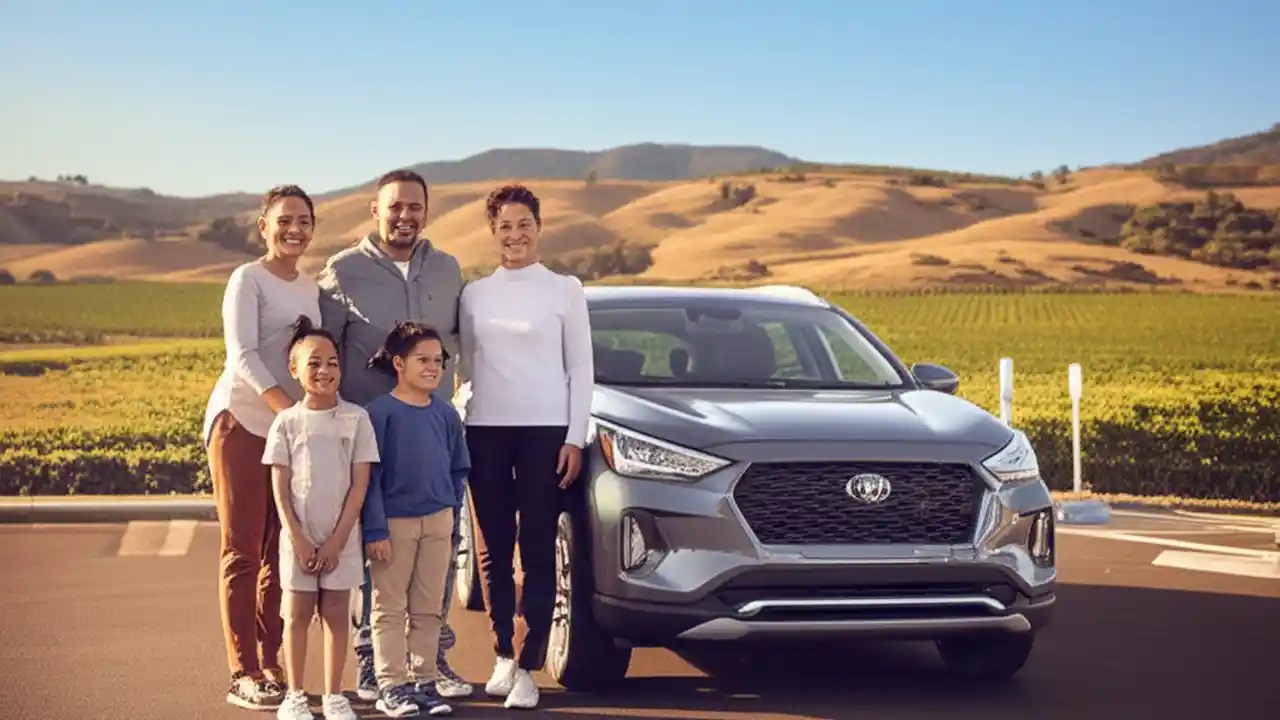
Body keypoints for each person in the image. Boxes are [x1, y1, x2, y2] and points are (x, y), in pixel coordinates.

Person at [316, 168, 471, 702]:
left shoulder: (449, 270)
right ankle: (370, 663)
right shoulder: (342, 271)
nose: (404, 215)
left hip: (429, 436)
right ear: (375, 211)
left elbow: (458, 345)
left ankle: (430, 663)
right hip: (367, 439)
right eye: (395, 206)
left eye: (414, 207)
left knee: (433, 560)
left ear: (426, 211)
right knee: (374, 558)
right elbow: (327, 354)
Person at [457, 183, 594, 710]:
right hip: (486, 433)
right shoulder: (474, 294)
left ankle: (529, 666)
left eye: (524, 225)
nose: (515, 235)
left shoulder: (565, 289)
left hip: (545, 434)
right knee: (493, 552)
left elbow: (580, 367)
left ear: (539, 227)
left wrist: (573, 437)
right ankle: (501, 654)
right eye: (505, 226)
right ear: (493, 231)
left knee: (537, 550)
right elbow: (465, 366)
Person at [202, 184, 322, 711]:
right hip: (242, 422)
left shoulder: (311, 289)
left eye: (303, 220)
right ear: (264, 227)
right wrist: (286, 409)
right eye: (284, 220)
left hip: (287, 429)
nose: (294, 229)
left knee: (281, 548)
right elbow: (242, 356)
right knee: (242, 550)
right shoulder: (246, 280)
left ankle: (272, 660)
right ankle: (242, 670)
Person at [263, 316, 377, 720]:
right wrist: (298, 538)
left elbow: (359, 487)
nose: (324, 371)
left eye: (331, 362)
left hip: (341, 538)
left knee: (335, 615)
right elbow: (280, 487)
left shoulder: (357, 419)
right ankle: (295, 693)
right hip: (298, 539)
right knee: (295, 616)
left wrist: (335, 542)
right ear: (294, 370)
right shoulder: (286, 423)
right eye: (313, 363)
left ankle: (333, 694)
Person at [362, 322, 471, 717]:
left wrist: (451, 514)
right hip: (393, 526)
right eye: (422, 360)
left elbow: (460, 467)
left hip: (439, 523)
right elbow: (369, 479)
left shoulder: (445, 414)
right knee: (389, 607)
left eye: (438, 361)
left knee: (428, 608)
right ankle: (392, 685)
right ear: (398, 363)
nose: (432, 367)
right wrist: (375, 529)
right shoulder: (379, 415)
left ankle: (423, 682)